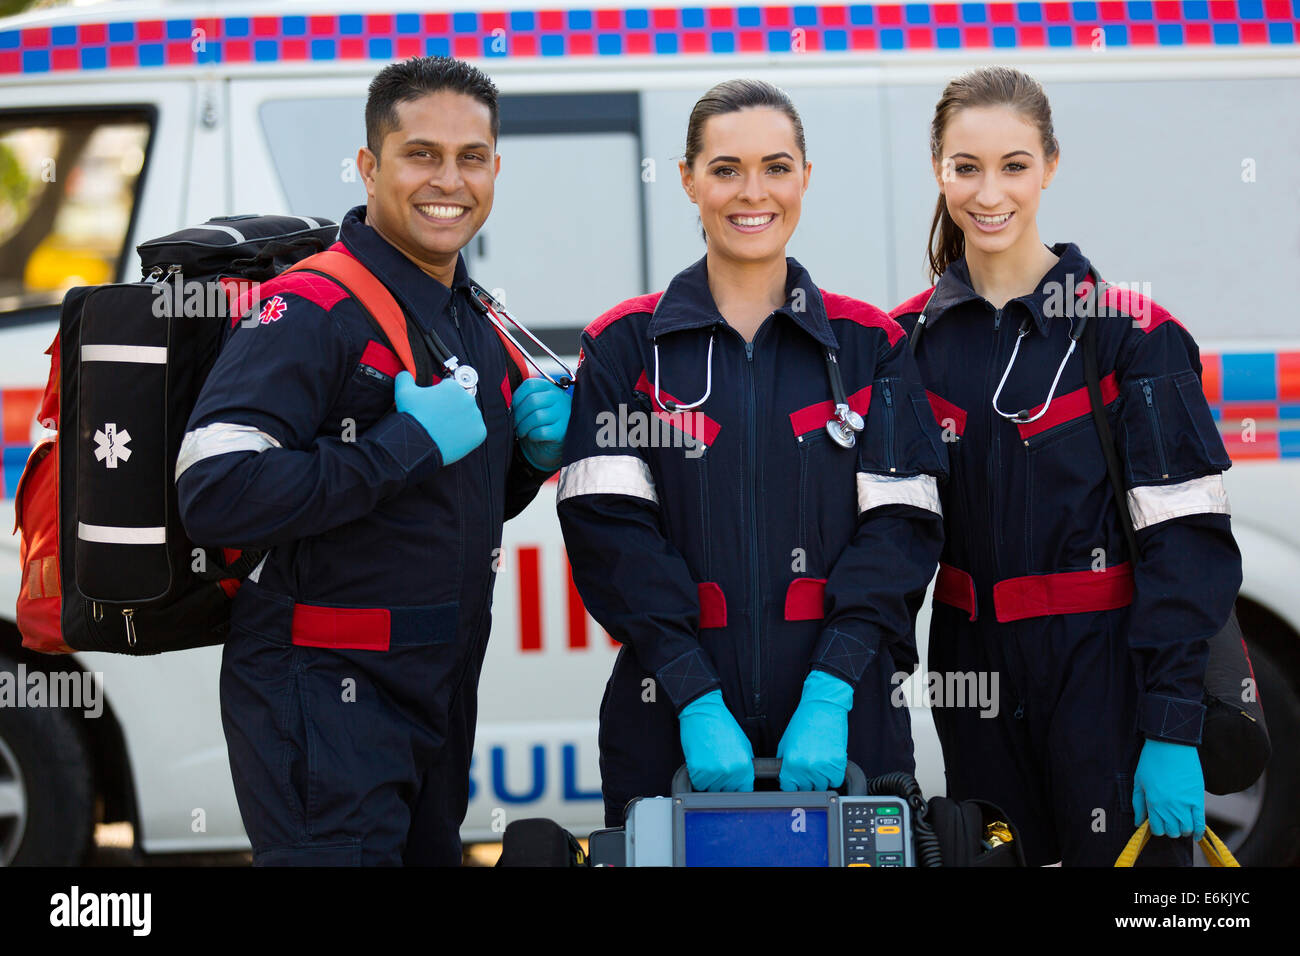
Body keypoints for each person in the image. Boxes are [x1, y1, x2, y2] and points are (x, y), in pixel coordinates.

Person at [175, 56, 571, 865]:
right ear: (368, 166)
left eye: (470, 158)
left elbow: (446, 507)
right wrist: (401, 447)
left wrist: (526, 462)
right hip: (322, 698)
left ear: (496, 169)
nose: (448, 180)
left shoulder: (470, 314)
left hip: (436, 691)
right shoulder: (308, 307)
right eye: (420, 154)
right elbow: (212, 491)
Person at [558, 79, 946, 823]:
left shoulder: (871, 346)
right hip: (667, 717)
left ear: (805, 177)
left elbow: (901, 532)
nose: (752, 192)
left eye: (775, 166)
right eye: (726, 168)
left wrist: (832, 693)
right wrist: (694, 695)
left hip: (846, 716)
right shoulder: (624, 348)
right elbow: (610, 536)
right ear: (688, 180)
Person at [890, 66, 1241, 866]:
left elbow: (1187, 547)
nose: (990, 192)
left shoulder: (1133, 338)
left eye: (1014, 165)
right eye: (966, 166)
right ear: (938, 171)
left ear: (1050, 166)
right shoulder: (903, 345)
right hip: (971, 675)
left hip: (1105, 674)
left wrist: (1171, 727)